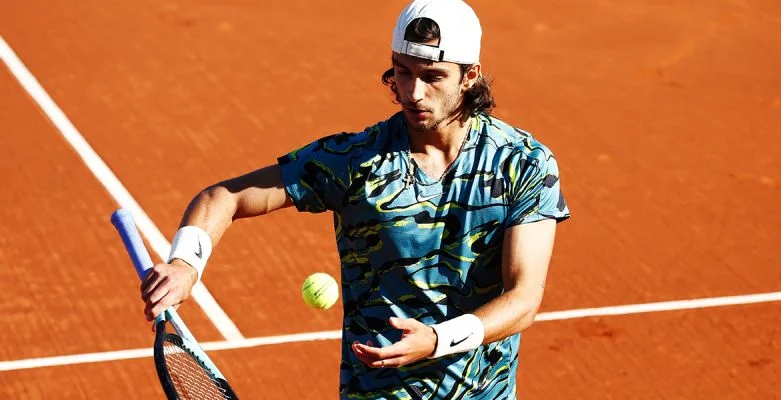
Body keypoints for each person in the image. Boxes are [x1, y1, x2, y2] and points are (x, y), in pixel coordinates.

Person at [139, 0, 570, 398]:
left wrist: (438, 339)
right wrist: (185, 264)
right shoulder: (355, 160)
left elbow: (523, 298)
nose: (413, 92)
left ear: (470, 76)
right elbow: (223, 197)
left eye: (433, 76)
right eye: (403, 71)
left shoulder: (523, 163)